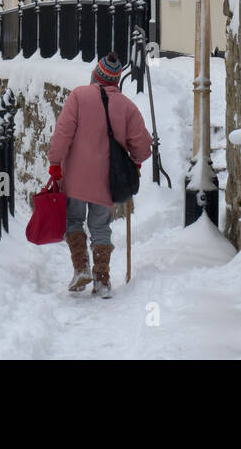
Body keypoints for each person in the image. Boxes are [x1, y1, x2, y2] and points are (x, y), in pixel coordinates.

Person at [48, 53, 152, 298]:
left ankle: (81, 268)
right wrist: (133, 164)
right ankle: (102, 279)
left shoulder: (78, 96)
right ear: (116, 80)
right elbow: (143, 148)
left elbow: (63, 134)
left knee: (73, 221)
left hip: (75, 175)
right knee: (100, 225)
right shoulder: (127, 107)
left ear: (96, 75)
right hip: (107, 180)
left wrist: (55, 162)